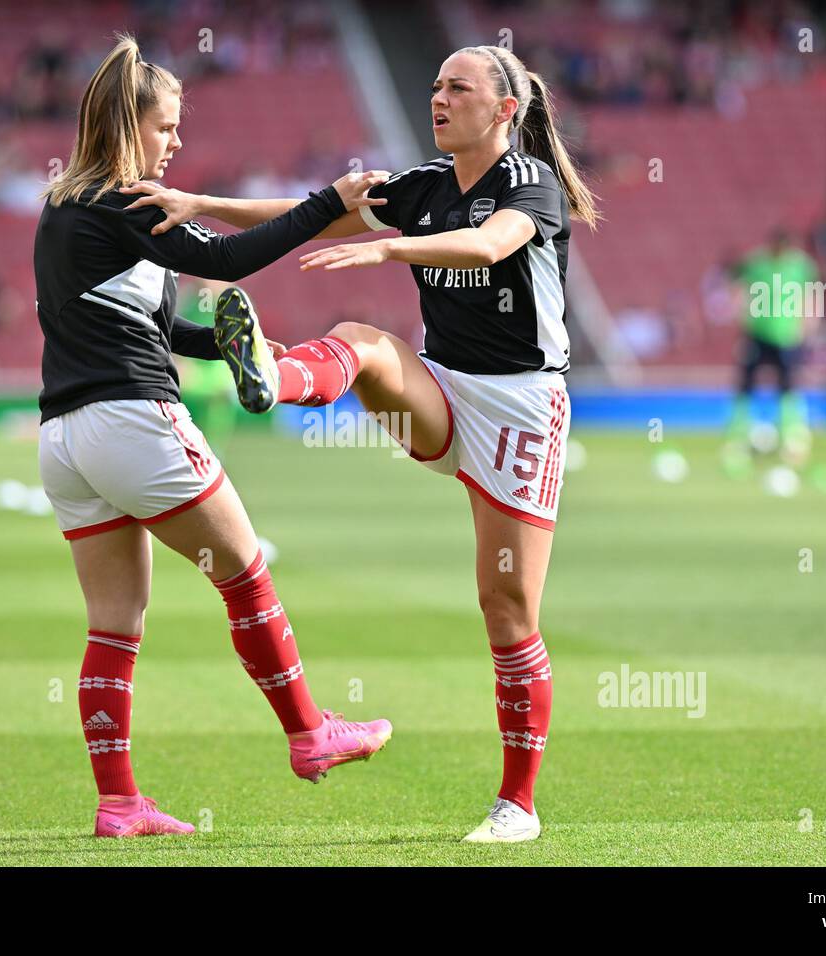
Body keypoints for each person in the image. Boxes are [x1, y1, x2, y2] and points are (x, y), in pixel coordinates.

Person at [125, 45, 599, 842]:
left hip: (521, 407)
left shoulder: (530, 183)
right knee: (365, 341)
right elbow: (306, 211)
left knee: (506, 609)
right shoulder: (422, 187)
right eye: (435, 84)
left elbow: (490, 246)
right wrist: (196, 200)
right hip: (442, 392)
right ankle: (273, 377)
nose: (439, 97)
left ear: (505, 109)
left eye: (459, 87)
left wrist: (388, 246)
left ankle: (517, 805)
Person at [34, 34, 392, 838]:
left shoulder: (67, 205)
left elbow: (159, 328)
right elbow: (229, 255)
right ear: (131, 125)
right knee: (246, 574)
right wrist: (329, 202)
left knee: (114, 625)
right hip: (133, 419)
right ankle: (310, 733)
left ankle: (120, 803)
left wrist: (237, 348)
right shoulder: (125, 200)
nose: (177, 141)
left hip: (65, 438)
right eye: (167, 127)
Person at [724, 227, 817, 472]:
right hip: (757, 333)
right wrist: (740, 313)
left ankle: (792, 435)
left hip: (786, 336)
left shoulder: (801, 266)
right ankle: (737, 434)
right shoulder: (755, 263)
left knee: (788, 386)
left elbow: (808, 295)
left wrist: (806, 324)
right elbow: (737, 285)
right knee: (746, 384)